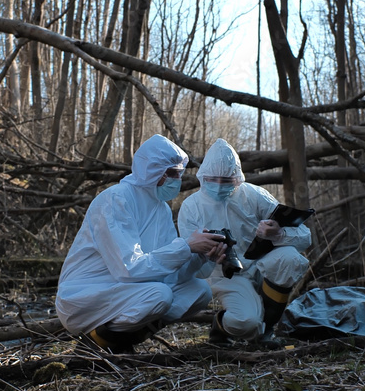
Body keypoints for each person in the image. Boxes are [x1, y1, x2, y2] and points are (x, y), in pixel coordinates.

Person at [55, 134, 227, 353]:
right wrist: (186, 246)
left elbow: (166, 272)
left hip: (127, 291)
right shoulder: (116, 199)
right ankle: (96, 342)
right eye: (172, 173)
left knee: (199, 290)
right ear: (152, 170)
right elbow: (130, 268)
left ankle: (123, 339)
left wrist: (201, 255)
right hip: (86, 296)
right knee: (160, 295)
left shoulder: (160, 207)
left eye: (179, 173)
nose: (177, 180)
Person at [178, 138, 311, 347]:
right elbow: (191, 266)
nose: (220, 186)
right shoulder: (192, 207)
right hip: (226, 275)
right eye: (214, 180)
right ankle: (220, 326)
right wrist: (208, 258)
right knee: (246, 322)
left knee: (290, 259)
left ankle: (267, 332)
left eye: (227, 180)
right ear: (203, 177)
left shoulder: (254, 195)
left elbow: (305, 237)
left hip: (260, 264)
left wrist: (278, 233)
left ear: (237, 178)